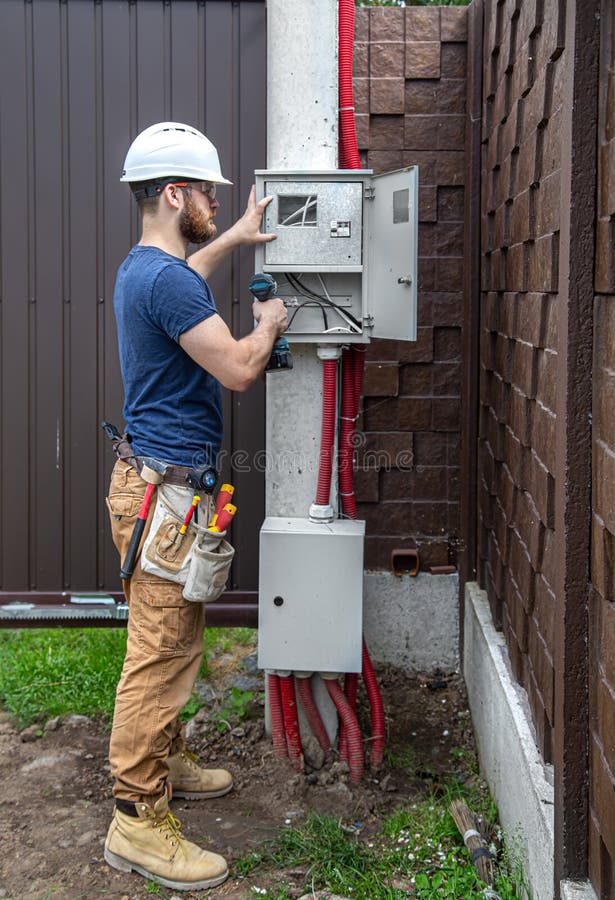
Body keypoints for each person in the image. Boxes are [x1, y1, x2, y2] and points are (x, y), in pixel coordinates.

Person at [103, 122, 287, 893]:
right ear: (175, 193)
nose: (214, 202)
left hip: (158, 487)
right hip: (167, 495)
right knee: (159, 651)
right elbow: (241, 369)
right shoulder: (168, 282)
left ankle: (166, 760)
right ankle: (136, 820)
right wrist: (273, 322)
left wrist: (240, 234)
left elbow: (188, 274)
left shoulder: (144, 269)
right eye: (208, 193)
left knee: (175, 638)